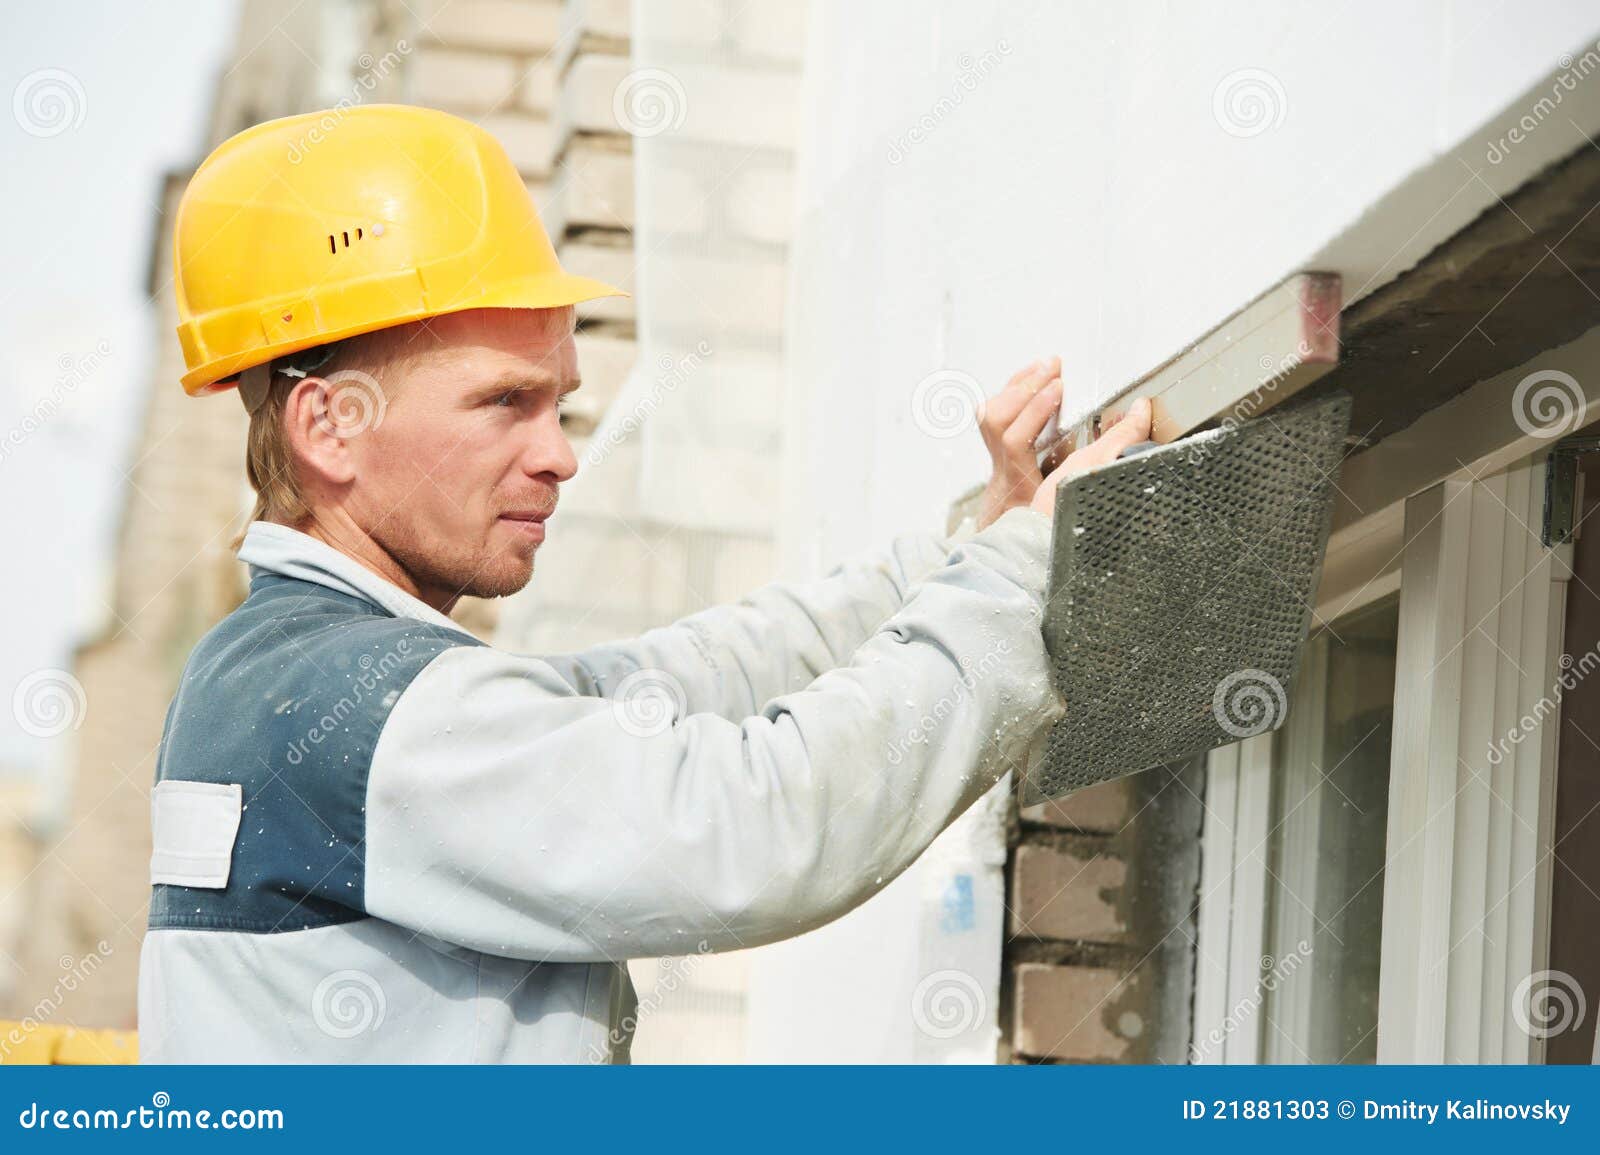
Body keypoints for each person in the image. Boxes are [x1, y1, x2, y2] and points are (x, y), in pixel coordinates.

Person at [138, 104, 1153, 1062]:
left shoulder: (277, 678)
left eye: (560, 407)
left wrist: (969, 556)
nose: (558, 456)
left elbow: (675, 683)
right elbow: (757, 828)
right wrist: (1022, 574)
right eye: (504, 402)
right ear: (330, 427)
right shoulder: (366, 712)